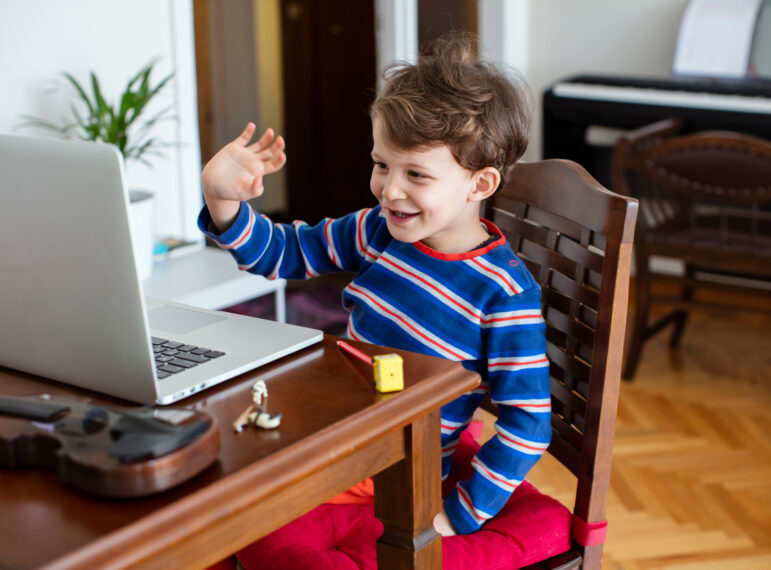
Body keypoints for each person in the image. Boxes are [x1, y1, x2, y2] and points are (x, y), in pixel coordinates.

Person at [198, 34, 551, 536]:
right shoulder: (379, 230)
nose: (390, 189)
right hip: (334, 422)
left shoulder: (504, 294)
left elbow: (528, 424)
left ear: (480, 184)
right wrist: (223, 203)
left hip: (387, 463)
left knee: (223, 495)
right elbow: (282, 254)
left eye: (416, 174)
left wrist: (461, 515)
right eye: (382, 164)